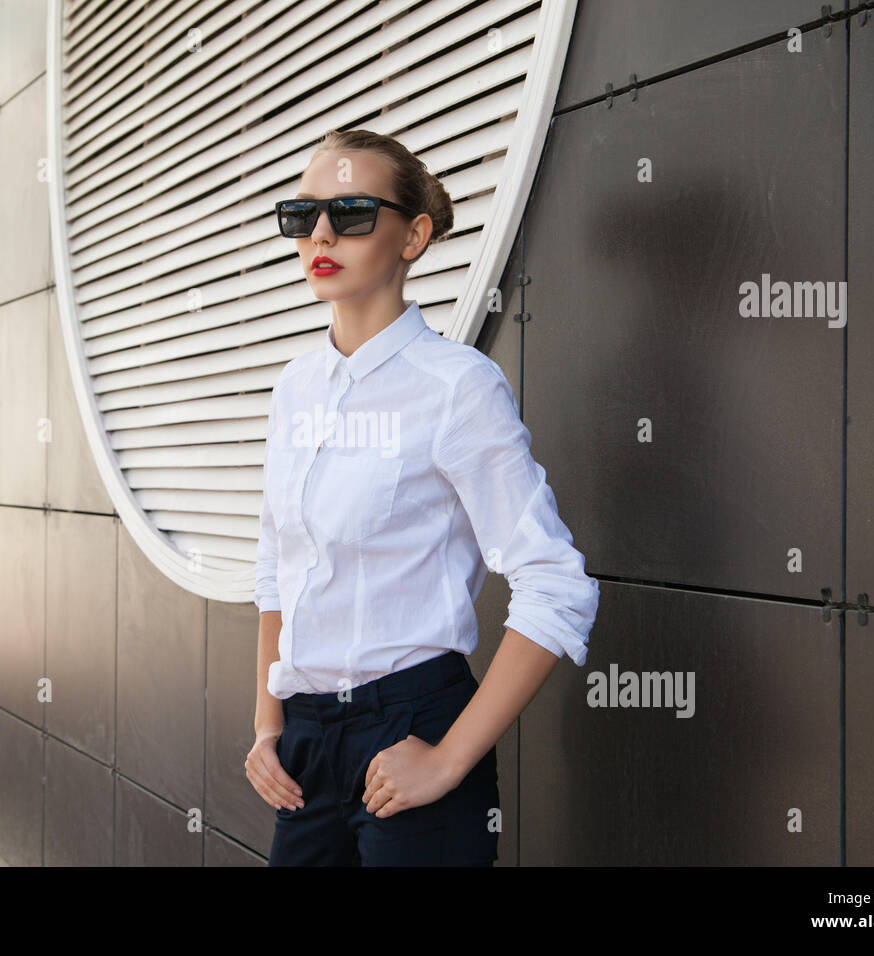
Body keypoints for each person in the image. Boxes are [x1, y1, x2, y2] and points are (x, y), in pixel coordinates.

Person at [246, 128, 600, 866]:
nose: (320, 233)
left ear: (414, 236)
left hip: (415, 724)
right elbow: (278, 567)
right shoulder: (294, 389)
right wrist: (267, 725)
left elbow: (555, 586)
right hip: (305, 746)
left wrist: (447, 759)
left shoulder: (457, 387)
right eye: (302, 213)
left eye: (349, 213)